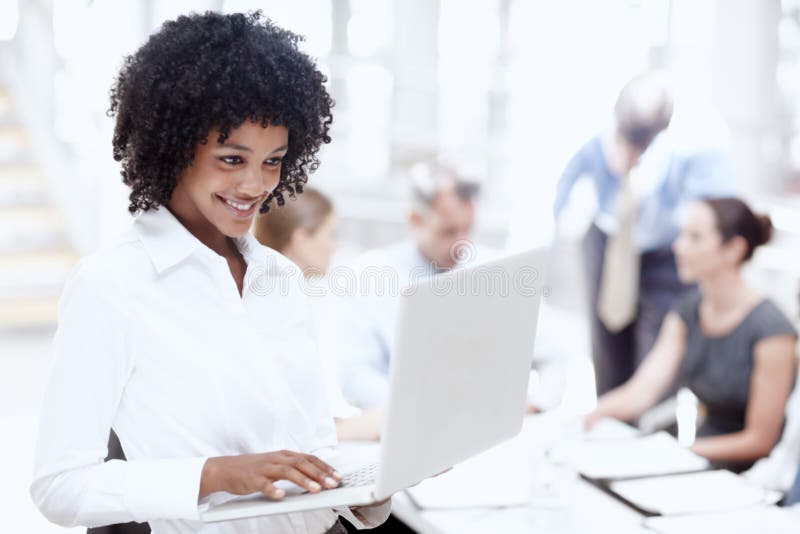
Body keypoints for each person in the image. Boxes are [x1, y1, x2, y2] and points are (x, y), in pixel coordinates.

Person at [30, 12, 389, 533]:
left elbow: (312, 446)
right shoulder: (112, 287)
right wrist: (214, 475)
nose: (254, 185)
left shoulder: (279, 279)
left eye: (273, 161)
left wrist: (358, 494)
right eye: (231, 158)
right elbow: (58, 487)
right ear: (175, 146)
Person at [554, 71, 736, 396]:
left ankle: (651, 436)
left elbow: (716, 219)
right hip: (608, 242)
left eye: (642, 145)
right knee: (607, 362)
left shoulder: (702, 139)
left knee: (657, 368)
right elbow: (563, 184)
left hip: (668, 253)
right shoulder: (600, 119)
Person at [585, 198, 797, 472]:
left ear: (733, 249)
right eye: (682, 234)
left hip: (751, 476)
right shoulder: (687, 311)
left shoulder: (771, 329)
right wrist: (591, 415)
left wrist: (678, 452)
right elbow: (644, 389)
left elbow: (759, 441)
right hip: (698, 461)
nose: (679, 246)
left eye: (694, 237)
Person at [341, 161, 565, 413]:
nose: (461, 244)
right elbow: (354, 376)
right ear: (415, 220)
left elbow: (554, 355)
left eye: (467, 229)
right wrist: (424, 407)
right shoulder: (372, 275)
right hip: (411, 426)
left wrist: (535, 404)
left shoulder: (498, 272)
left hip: (488, 426)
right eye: (448, 231)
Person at [252, 187, 383, 441]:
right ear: (301, 240)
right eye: (330, 235)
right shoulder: (273, 311)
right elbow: (283, 429)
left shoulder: (299, 297)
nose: (334, 248)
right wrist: (355, 428)